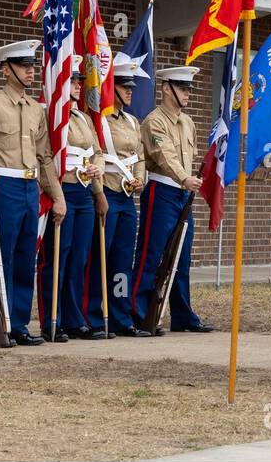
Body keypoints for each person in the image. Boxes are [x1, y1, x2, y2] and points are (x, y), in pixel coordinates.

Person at [0, 40, 65, 347]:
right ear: (7, 70)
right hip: (3, 186)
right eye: (23, 66)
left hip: (29, 188)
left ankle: (19, 323)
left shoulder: (36, 110)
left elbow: (44, 156)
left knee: (25, 258)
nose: (30, 72)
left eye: (32, 66)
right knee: (2, 257)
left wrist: (57, 195)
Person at [133, 66, 214, 334]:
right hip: (163, 191)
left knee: (182, 256)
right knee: (152, 253)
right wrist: (184, 178)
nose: (187, 93)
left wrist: (187, 182)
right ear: (166, 89)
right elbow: (164, 155)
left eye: (189, 88)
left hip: (182, 193)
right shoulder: (154, 121)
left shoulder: (188, 122)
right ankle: (140, 314)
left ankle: (182, 314)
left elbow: (189, 156)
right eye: (182, 88)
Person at [37, 67, 108, 341]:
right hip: (63, 187)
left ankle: (73, 318)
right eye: (74, 80)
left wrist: (97, 177)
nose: (79, 85)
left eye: (80, 80)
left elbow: (97, 152)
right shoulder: (53, 116)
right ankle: (51, 320)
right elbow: (45, 158)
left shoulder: (83, 118)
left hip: (83, 190)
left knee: (79, 259)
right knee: (57, 258)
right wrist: (57, 197)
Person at [90, 54, 150, 337]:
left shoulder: (132, 121)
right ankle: (93, 314)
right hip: (107, 192)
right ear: (111, 86)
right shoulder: (100, 120)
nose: (130, 91)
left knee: (123, 261)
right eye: (125, 85)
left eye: (131, 87)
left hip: (127, 197)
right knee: (100, 257)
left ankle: (120, 316)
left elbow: (139, 155)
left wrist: (140, 178)